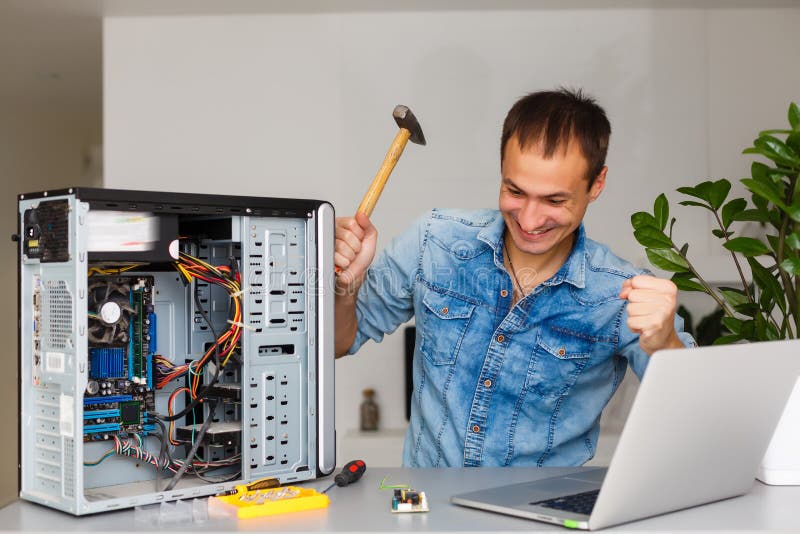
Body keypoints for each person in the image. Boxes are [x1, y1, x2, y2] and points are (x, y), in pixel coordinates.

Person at [334, 88, 696, 468]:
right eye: (515, 191)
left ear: (596, 184)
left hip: (541, 519)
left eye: (555, 201)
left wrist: (666, 344)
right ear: (502, 169)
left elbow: (697, 423)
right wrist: (346, 288)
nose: (530, 219)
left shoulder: (620, 293)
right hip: (425, 518)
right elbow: (338, 343)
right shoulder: (433, 242)